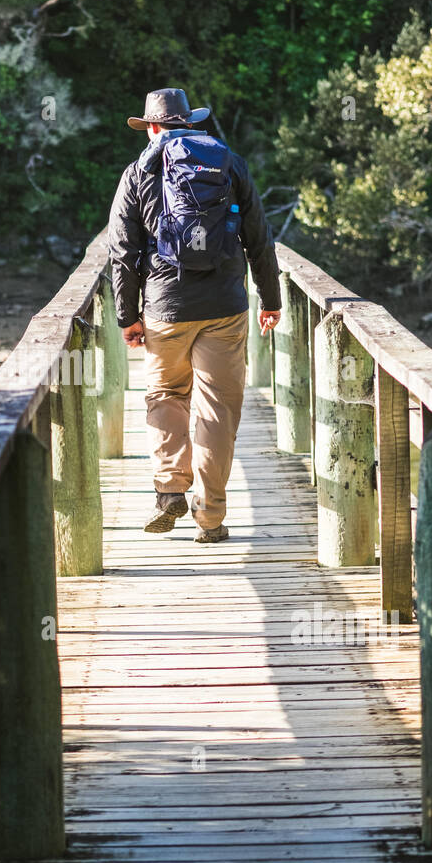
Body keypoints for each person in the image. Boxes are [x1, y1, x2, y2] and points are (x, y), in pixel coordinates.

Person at [108, 87, 281, 541]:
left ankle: (169, 490)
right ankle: (210, 517)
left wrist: (128, 315)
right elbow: (259, 238)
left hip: (166, 307)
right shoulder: (227, 161)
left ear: (151, 127)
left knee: (166, 393)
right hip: (225, 306)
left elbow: (122, 252)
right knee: (218, 409)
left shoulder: (137, 172)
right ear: (190, 121)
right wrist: (271, 299)